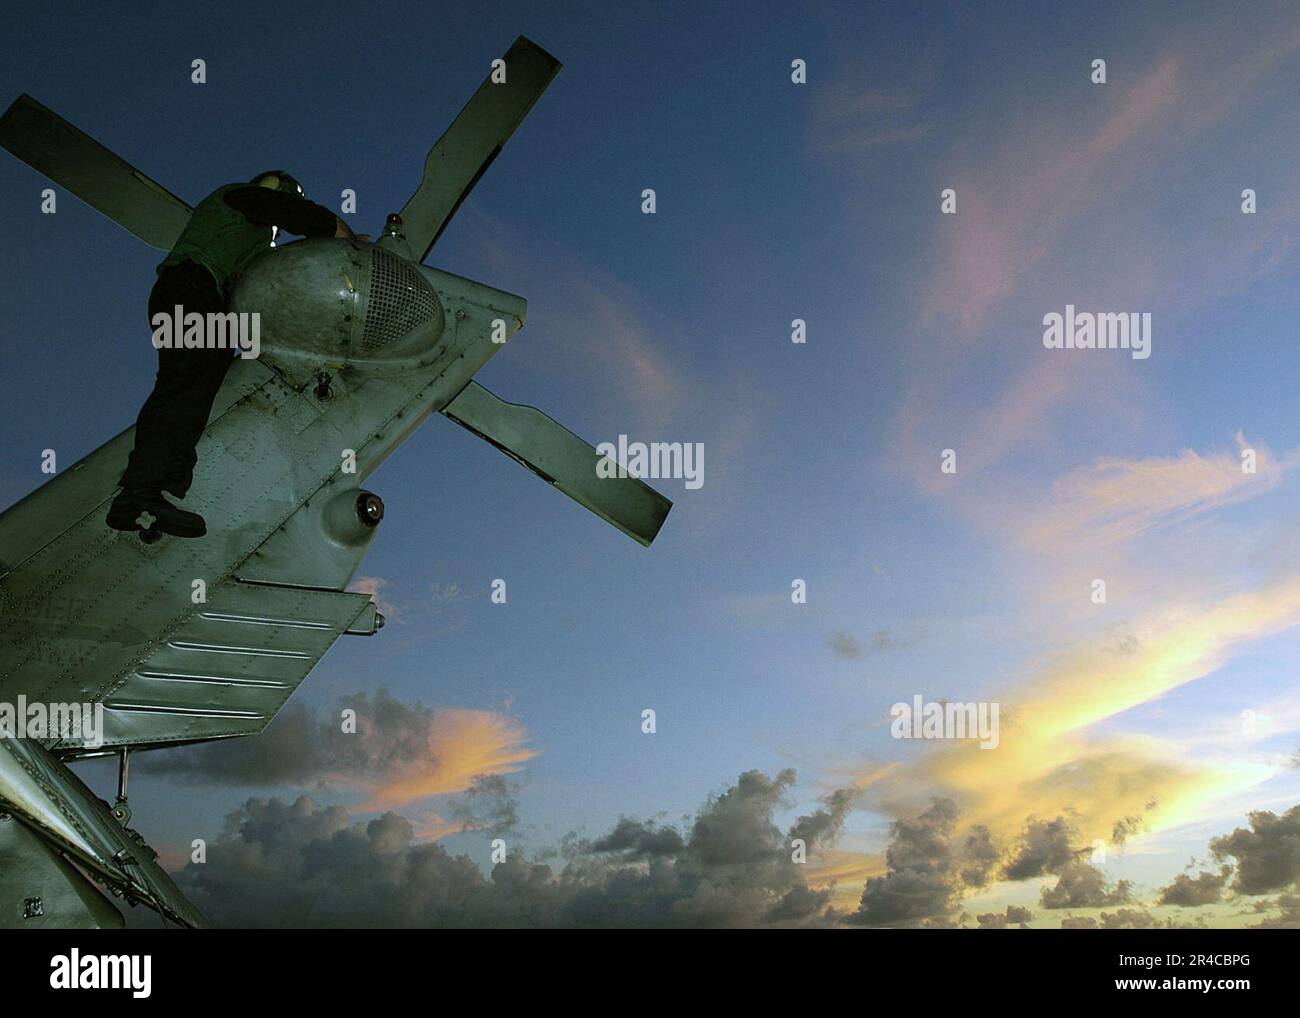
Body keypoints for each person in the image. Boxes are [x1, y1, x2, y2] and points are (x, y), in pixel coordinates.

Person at [107, 171, 357, 537]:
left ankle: (153, 493)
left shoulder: (255, 247)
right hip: (190, 289)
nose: (282, 195)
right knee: (186, 385)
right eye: (282, 190)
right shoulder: (239, 198)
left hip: (203, 301)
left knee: (194, 391)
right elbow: (290, 212)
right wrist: (345, 238)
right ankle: (139, 491)